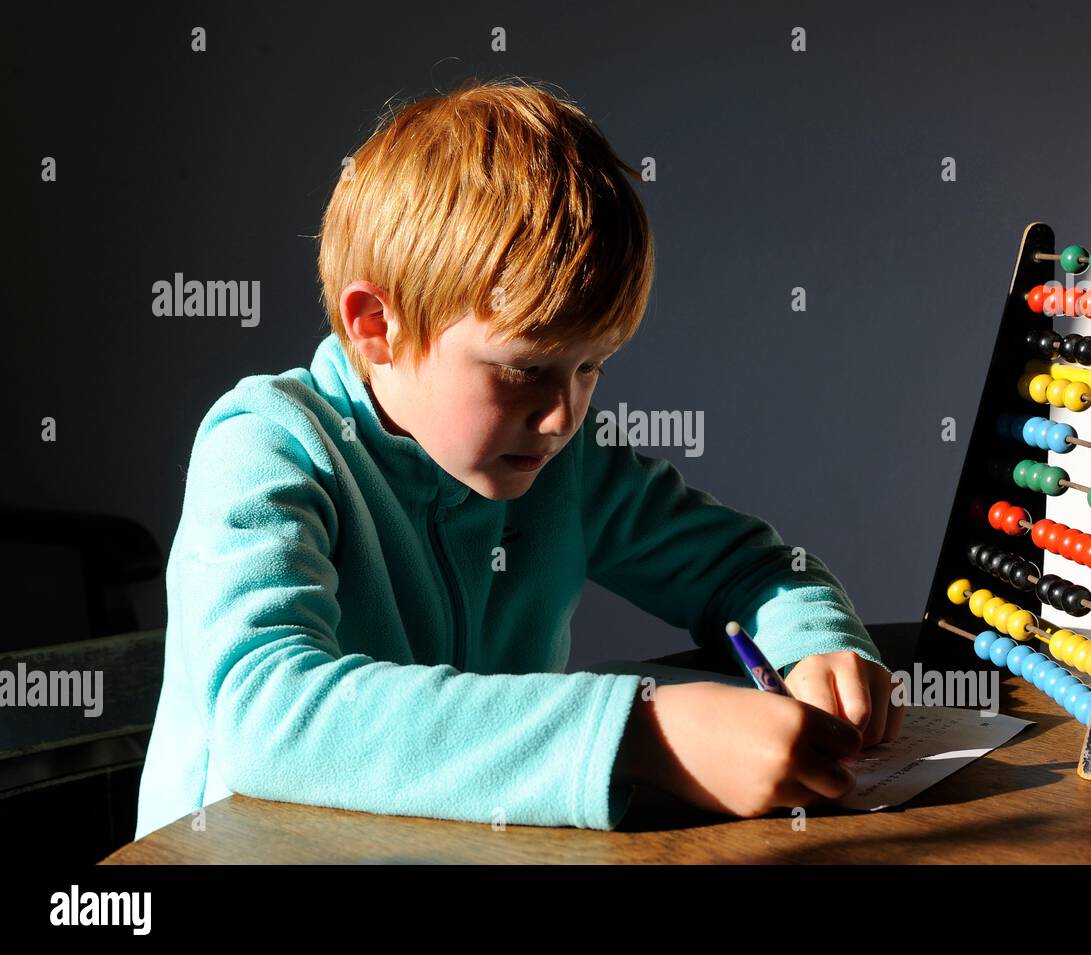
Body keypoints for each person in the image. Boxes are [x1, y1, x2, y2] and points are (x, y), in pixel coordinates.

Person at [134, 77, 903, 840]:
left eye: (592, 366)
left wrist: (816, 642)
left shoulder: (565, 467)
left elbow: (750, 568)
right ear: (376, 326)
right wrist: (638, 732)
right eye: (524, 369)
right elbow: (269, 716)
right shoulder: (267, 443)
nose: (564, 414)